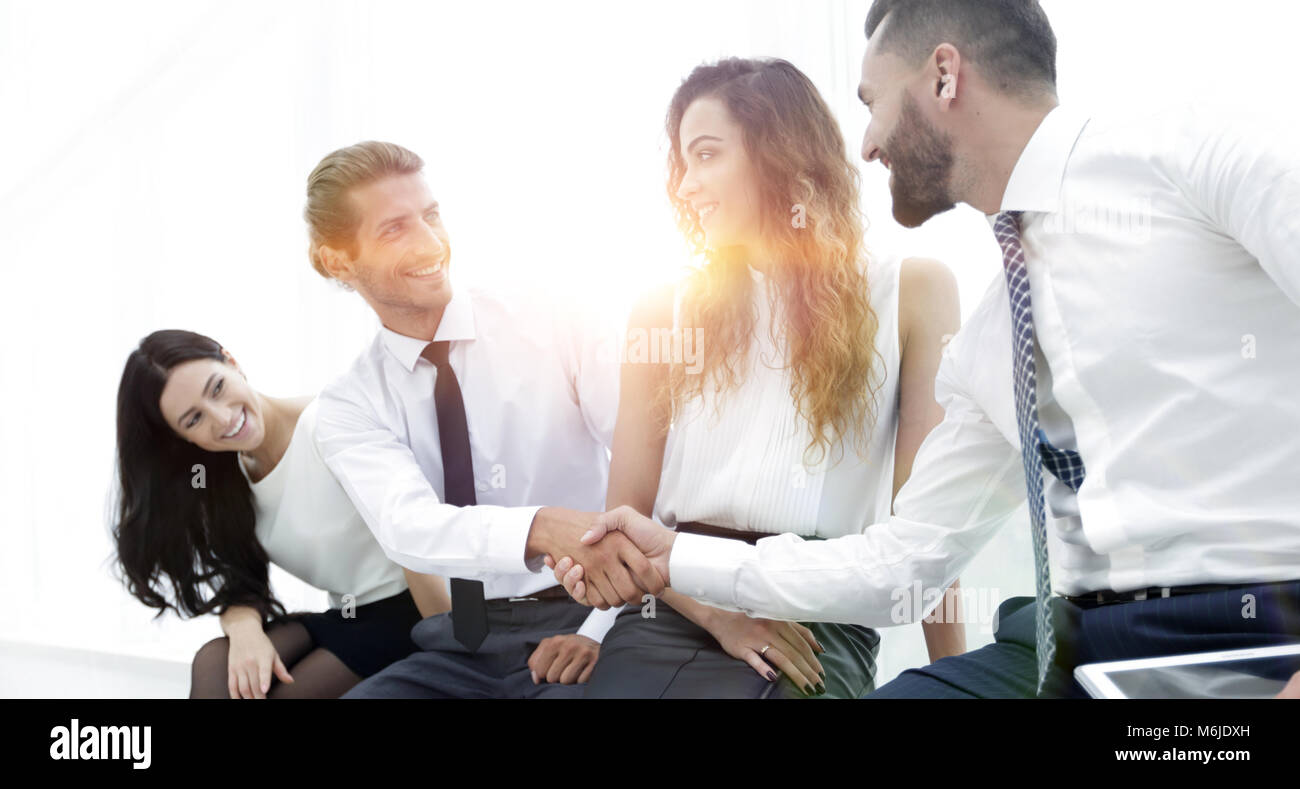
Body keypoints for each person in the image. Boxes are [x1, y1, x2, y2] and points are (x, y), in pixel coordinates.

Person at [551, 0, 1300, 698]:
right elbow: (905, 558)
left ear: (944, 76)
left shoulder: (1194, 154)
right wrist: (672, 557)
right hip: (1067, 643)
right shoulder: (987, 340)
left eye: (873, 103)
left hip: (1256, 632)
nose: (867, 144)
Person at [564, 57, 963, 699]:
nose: (687, 184)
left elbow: (931, 528)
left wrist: (955, 676)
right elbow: (622, 523)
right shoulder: (662, 307)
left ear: (780, 152)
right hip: (673, 607)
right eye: (682, 162)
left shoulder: (912, 291)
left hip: (813, 613)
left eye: (707, 155)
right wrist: (717, 616)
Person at [300, 141, 665, 699]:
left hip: (595, 612)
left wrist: (601, 626)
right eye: (394, 229)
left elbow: (655, 468)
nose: (430, 243)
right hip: (461, 645)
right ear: (338, 261)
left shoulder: (551, 313)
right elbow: (409, 526)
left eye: (431, 215)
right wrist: (540, 526)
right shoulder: (350, 404)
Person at [112, 329, 451, 699]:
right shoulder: (226, 478)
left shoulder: (330, 426)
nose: (222, 418)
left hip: (415, 608)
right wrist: (245, 633)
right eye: (194, 420)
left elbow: (422, 533)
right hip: (350, 614)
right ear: (182, 439)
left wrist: (452, 648)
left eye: (217, 388)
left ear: (232, 362)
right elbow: (241, 582)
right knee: (215, 663)